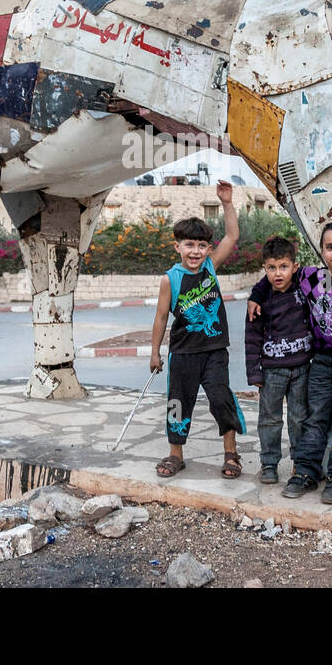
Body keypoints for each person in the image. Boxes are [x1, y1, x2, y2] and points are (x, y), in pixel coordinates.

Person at [249, 221, 332, 505]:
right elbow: (279, 274)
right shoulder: (313, 279)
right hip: (321, 363)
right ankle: (306, 472)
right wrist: (256, 295)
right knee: (314, 419)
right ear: (322, 250)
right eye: (330, 247)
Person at [149, 180, 245, 479]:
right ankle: (176, 454)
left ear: (208, 249)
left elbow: (232, 235)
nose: (196, 251)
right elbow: (161, 318)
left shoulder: (210, 268)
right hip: (183, 354)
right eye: (189, 245)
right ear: (177, 246)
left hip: (215, 351)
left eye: (202, 245)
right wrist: (154, 352)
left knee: (221, 398)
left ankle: (231, 453)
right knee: (178, 402)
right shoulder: (170, 279)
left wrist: (227, 202)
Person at [243, 236, 313, 485]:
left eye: (283, 266)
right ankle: (269, 463)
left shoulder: (304, 288)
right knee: (270, 419)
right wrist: (254, 372)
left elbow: (326, 274)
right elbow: (251, 340)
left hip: (302, 367)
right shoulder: (259, 303)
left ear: (294, 266)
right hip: (272, 372)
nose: (277, 273)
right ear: (265, 268)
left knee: (299, 418)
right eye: (271, 268)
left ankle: (301, 462)